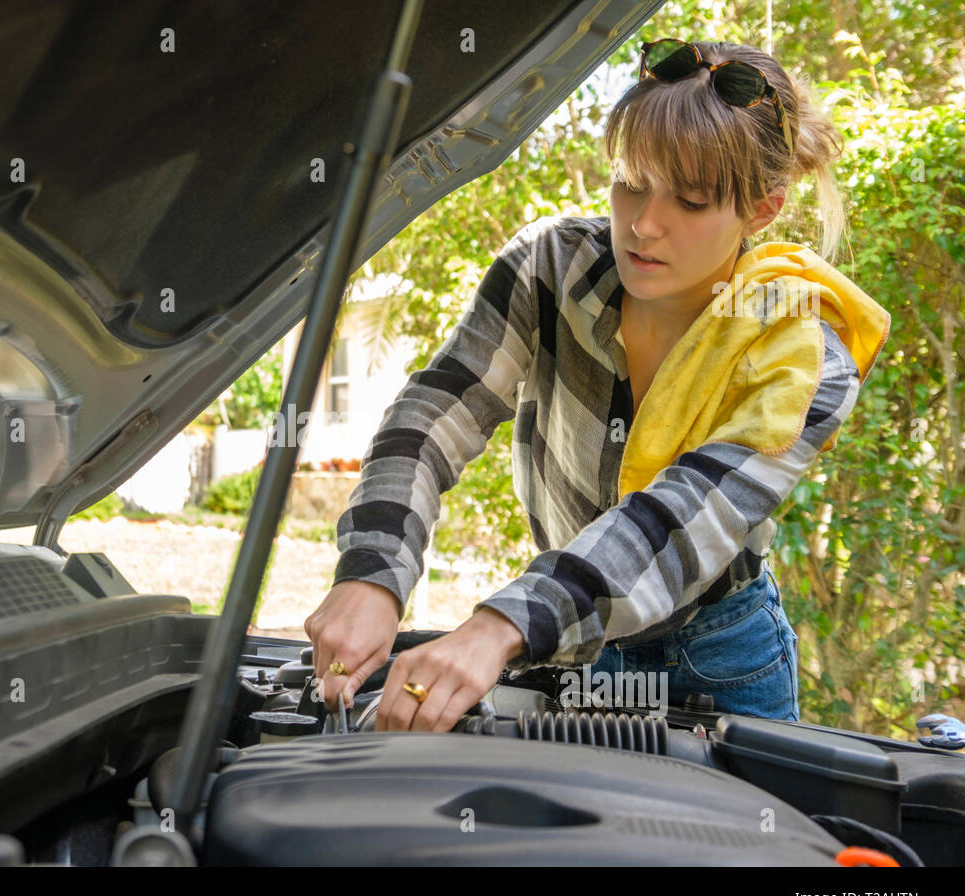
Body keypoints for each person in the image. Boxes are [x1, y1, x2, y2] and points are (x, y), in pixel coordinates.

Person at [303, 38, 890, 732]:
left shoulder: (800, 355)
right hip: (569, 641)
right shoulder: (546, 268)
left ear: (761, 212)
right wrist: (371, 572)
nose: (643, 224)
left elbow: (678, 523)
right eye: (631, 183)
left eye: (691, 201)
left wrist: (496, 628)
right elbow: (434, 415)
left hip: (721, 661)